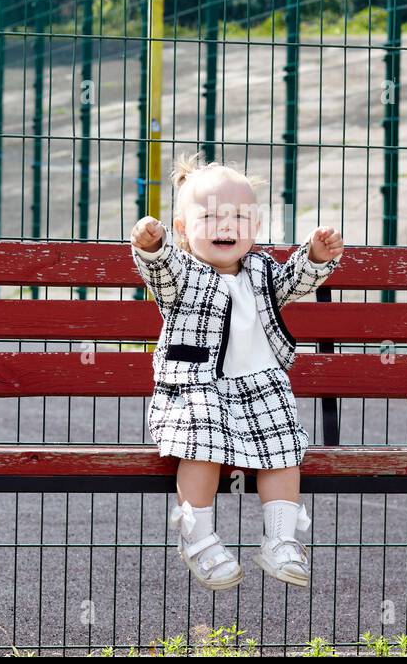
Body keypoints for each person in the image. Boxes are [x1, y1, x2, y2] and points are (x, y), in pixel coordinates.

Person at [129, 152, 344, 590]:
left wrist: (316, 257)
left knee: (285, 447)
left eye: (239, 216)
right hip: (198, 388)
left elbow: (293, 282)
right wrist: (151, 246)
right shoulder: (184, 273)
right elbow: (159, 269)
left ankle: (280, 540)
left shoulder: (262, 271)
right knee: (201, 447)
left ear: (256, 226)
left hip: (260, 387)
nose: (226, 225)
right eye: (210, 216)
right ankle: (200, 538)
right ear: (184, 229)